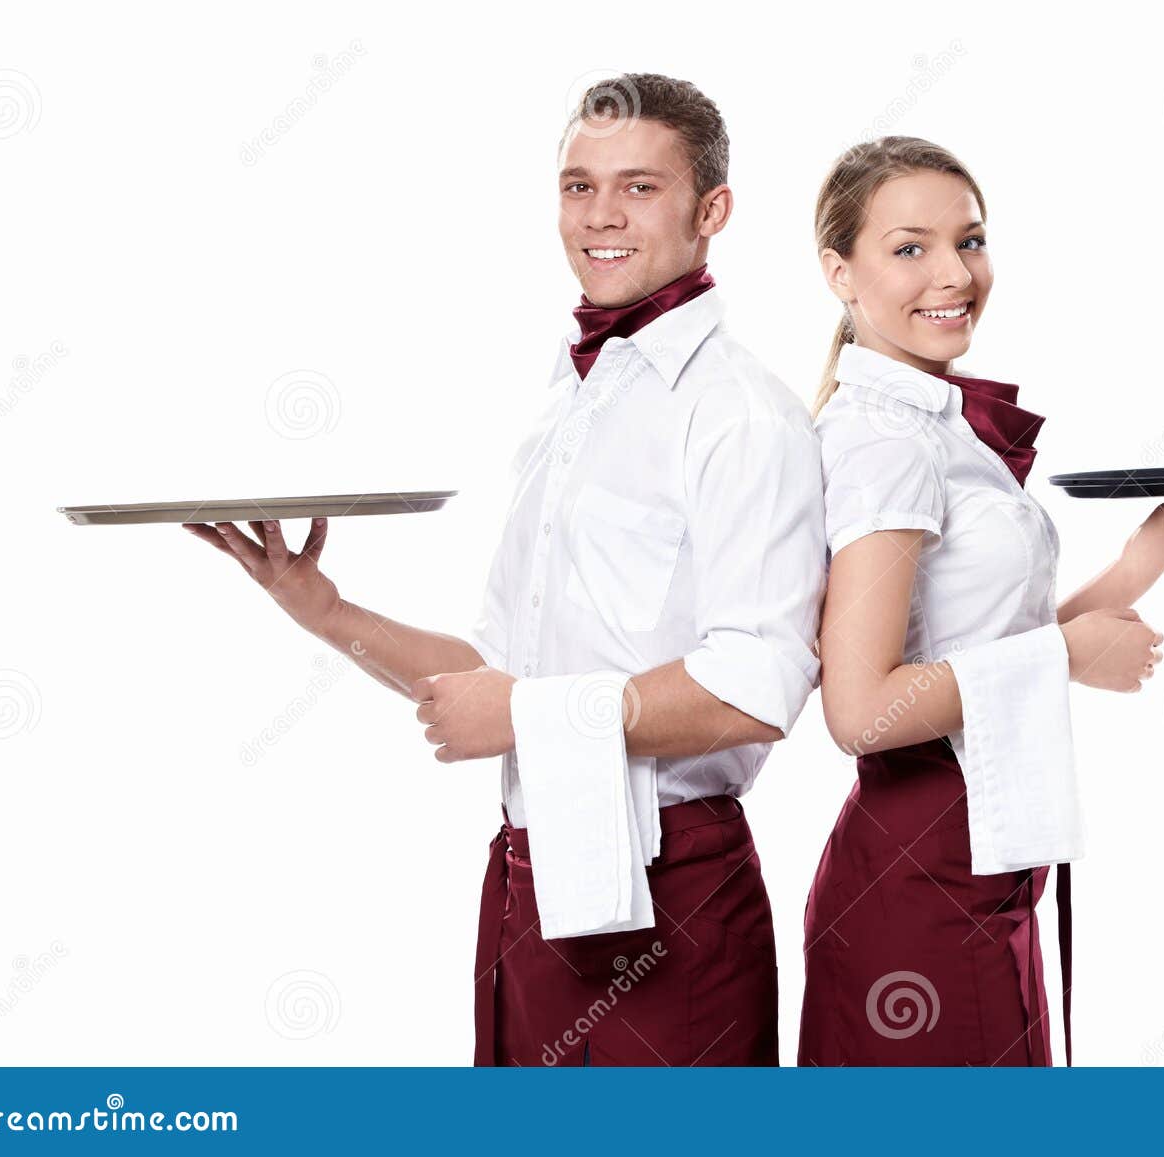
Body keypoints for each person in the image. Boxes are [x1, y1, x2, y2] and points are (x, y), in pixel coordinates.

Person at [183, 74, 825, 1066]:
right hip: (533, 879)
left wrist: (525, 714)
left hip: (672, 893)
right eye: (577, 186)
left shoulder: (742, 413)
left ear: (712, 212)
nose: (599, 216)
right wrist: (320, 606)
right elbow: (496, 670)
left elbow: (757, 685)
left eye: (638, 188)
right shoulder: (570, 401)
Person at [796, 136, 1164, 1066]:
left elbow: (972, 643)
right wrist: (1068, 656)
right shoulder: (886, 442)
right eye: (909, 247)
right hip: (923, 879)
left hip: (973, 860)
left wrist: (1141, 563)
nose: (954, 273)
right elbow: (861, 709)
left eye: (970, 241)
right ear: (838, 271)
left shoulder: (925, 423)